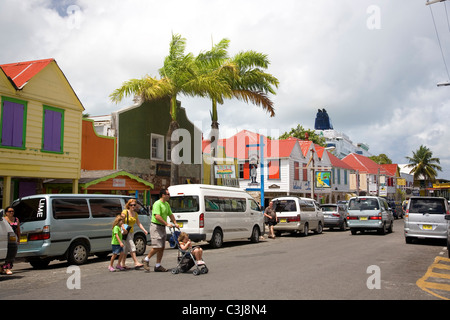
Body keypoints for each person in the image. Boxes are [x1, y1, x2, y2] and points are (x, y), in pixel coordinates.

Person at [142, 188, 179, 272]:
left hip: (162, 227)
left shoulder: (166, 204)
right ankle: (146, 259)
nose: (169, 196)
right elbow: (157, 216)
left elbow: (170, 214)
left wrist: (175, 223)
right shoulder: (157, 204)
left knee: (162, 247)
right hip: (156, 227)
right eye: (168, 194)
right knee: (157, 246)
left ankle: (158, 265)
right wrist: (167, 224)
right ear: (163, 195)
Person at [120, 199, 148, 269]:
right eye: (131, 205)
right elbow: (121, 222)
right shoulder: (125, 212)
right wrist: (123, 228)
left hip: (131, 232)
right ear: (128, 205)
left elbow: (138, 223)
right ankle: (136, 262)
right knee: (132, 246)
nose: (133, 206)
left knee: (126, 248)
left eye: (134, 205)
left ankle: (122, 263)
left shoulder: (135, 214)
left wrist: (144, 230)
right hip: (125, 232)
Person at [1, 206, 20, 275]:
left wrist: (19, 239)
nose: (11, 212)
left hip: (13, 239)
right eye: (10, 211)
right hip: (5, 238)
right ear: (6, 213)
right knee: (5, 253)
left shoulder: (16, 219)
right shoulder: (3, 220)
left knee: (11, 253)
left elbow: (18, 230)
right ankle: (2, 268)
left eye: (12, 211)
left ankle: (8, 268)